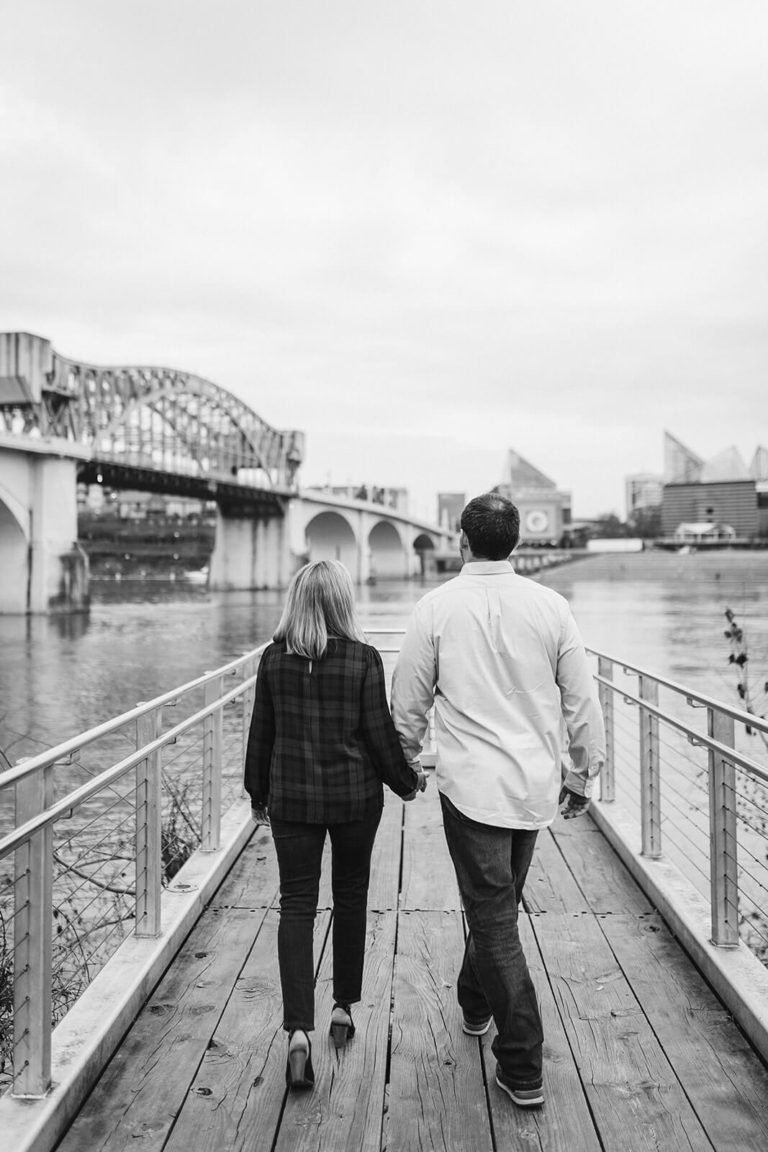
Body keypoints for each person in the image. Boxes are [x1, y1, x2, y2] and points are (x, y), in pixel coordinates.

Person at [390, 493, 605, 1110]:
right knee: (496, 907)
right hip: (532, 786)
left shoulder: (436, 608)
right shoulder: (552, 608)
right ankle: (475, 1000)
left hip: (471, 789)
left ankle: (522, 1062)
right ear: (515, 543)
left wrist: (406, 757)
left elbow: (409, 698)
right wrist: (583, 774)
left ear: (462, 540)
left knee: (493, 915)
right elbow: (581, 702)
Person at [244, 559, 427, 1091]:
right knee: (350, 896)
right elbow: (378, 735)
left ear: (297, 600)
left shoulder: (274, 660)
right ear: (343, 601)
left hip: (293, 801)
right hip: (354, 799)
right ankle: (343, 1008)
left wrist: (259, 794)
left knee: (296, 903)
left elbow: (261, 733)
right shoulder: (364, 659)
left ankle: (298, 1031)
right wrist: (407, 783)